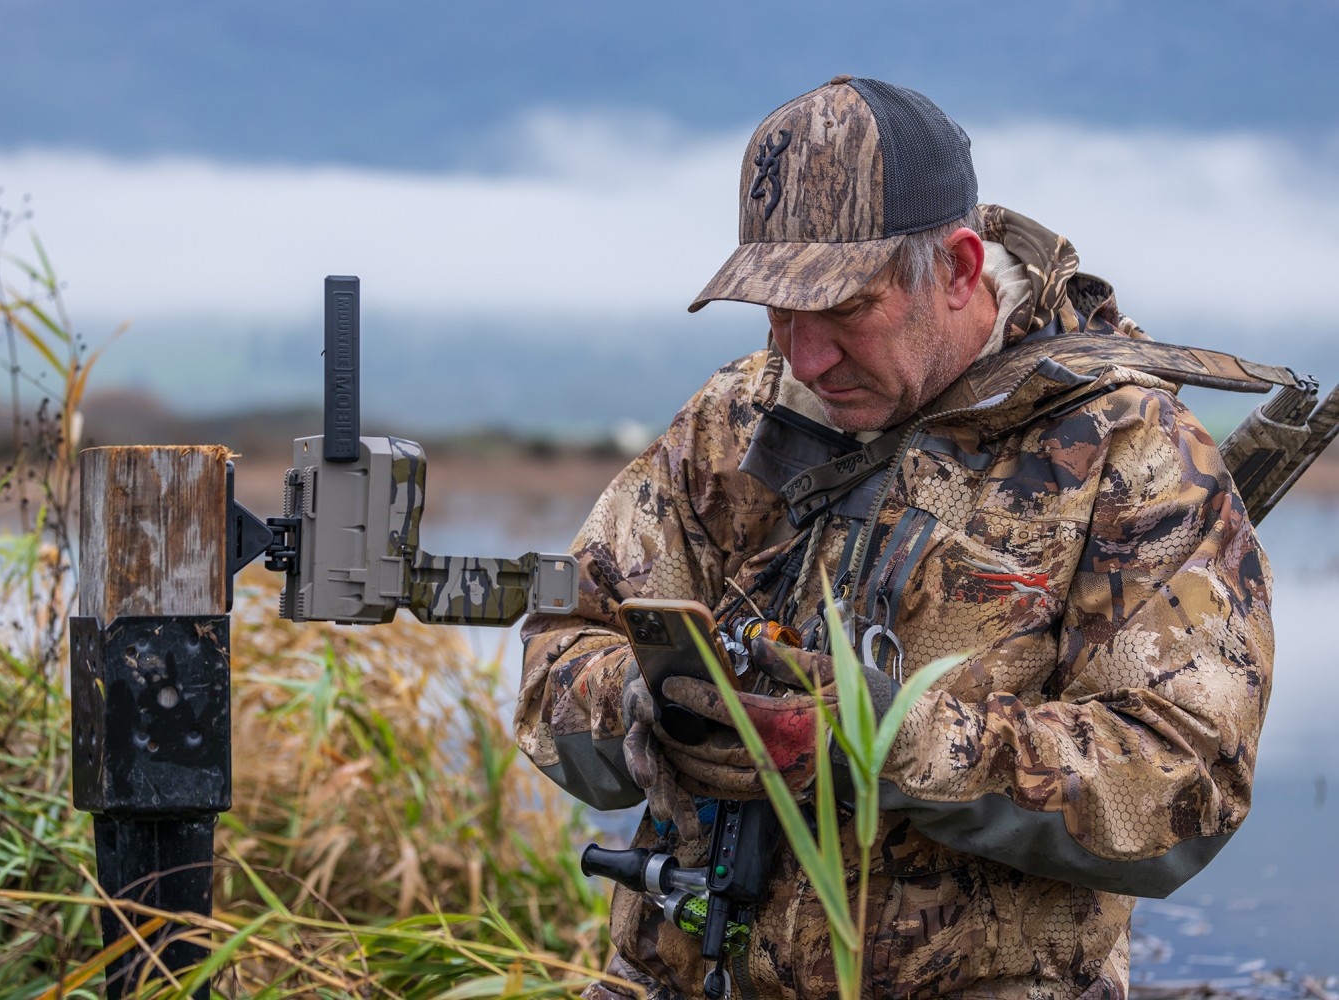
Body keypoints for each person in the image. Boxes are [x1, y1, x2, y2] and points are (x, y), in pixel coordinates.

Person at [514, 75, 1275, 999]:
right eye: (778, 312)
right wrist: (645, 707)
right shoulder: (731, 420)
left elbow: (1185, 785)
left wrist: (892, 743)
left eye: (842, 311)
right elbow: (560, 646)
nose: (806, 356)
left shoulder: (1132, 451)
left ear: (958, 268)